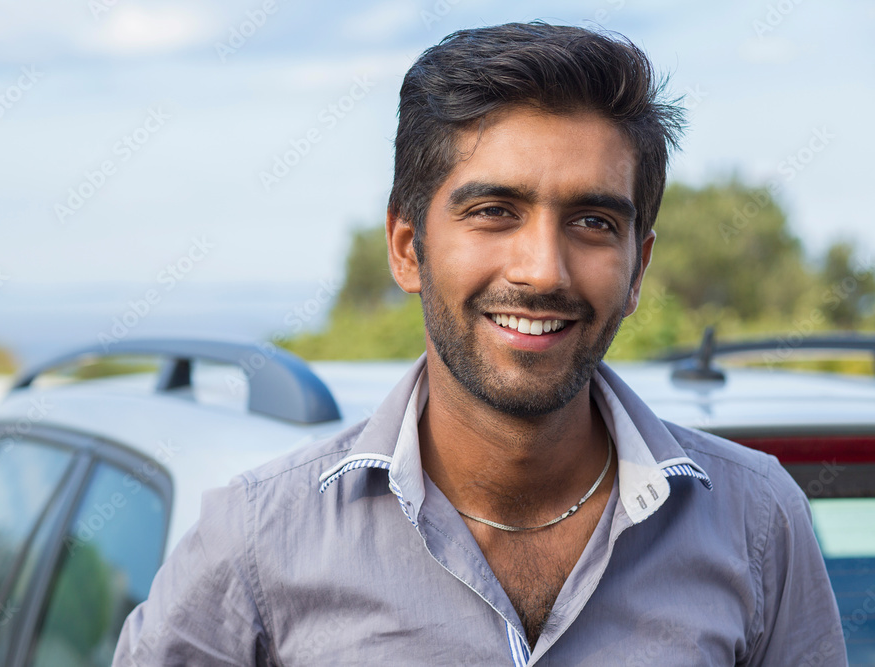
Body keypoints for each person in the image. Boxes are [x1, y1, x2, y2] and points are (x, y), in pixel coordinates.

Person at [113, 21, 847, 666]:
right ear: (407, 247)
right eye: (495, 211)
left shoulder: (759, 521)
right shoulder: (255, 543)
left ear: (637, 268)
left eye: (593, 221)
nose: (542, 270)